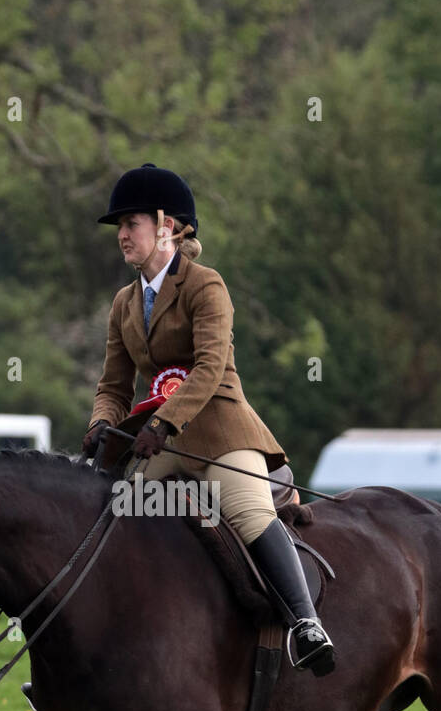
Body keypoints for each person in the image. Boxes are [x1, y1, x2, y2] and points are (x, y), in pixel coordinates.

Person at [81, 163, 335, 674]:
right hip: (160, 444)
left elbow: (210, 366)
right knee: (107, 514)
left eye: (131, 224)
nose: (123, 236)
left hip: (219, 431)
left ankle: (307, 626)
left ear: (166, 227)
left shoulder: (205, 285)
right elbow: (113, 385)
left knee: (247, 512)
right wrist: (100, 425)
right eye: (120, 228)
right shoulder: (123, 304)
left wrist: (163, 424)